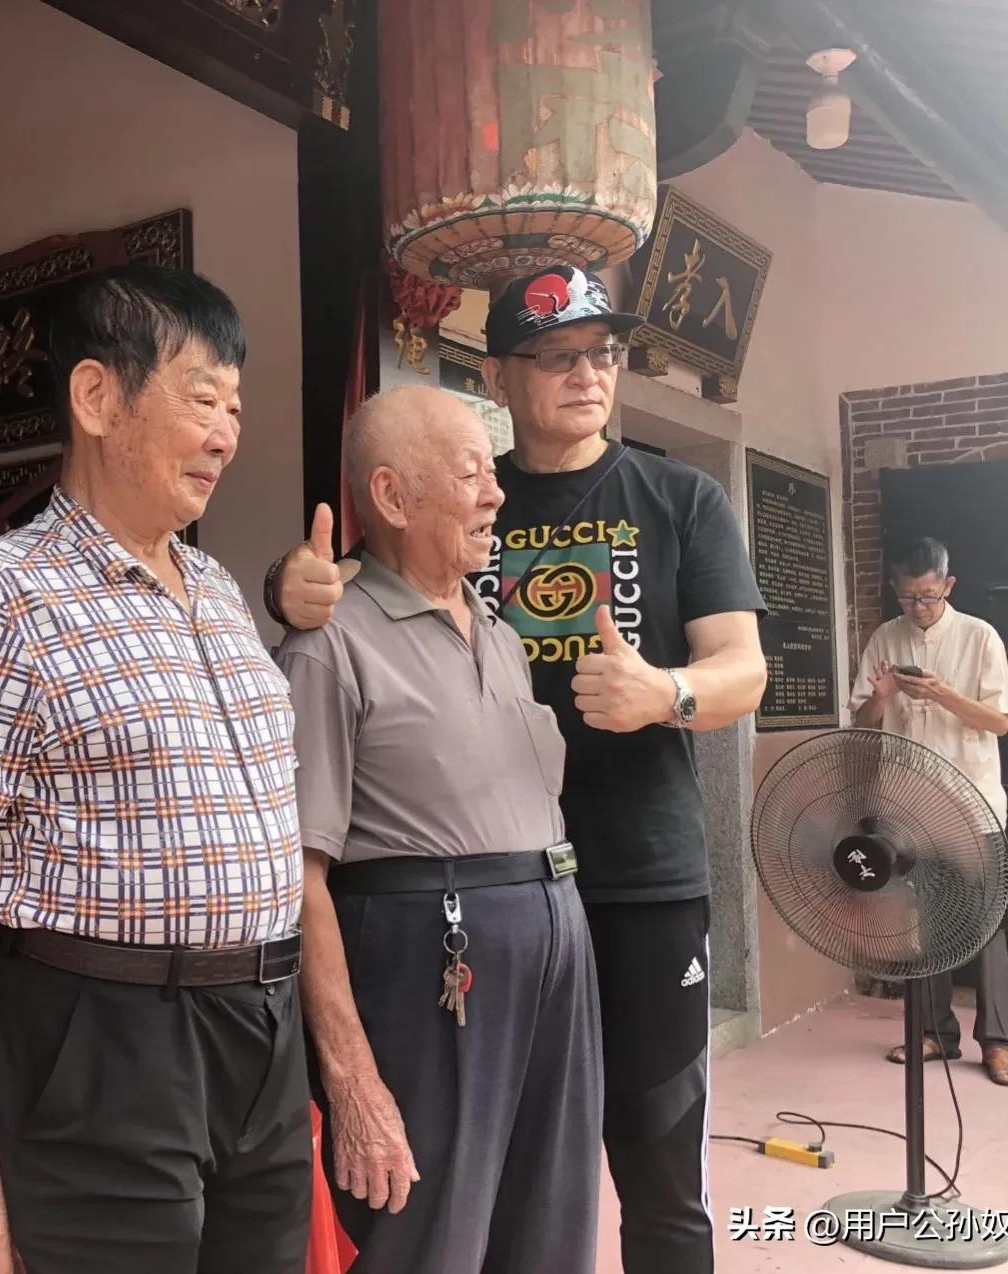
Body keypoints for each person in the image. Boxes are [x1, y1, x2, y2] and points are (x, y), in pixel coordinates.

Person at [271, 267, 768, 1274]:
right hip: (462, 909)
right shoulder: (456, 501)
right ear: (497, 375)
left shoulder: (680, 496)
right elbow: (347, 590)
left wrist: (662, 692)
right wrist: (287, 588)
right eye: (556, 356)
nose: (588, 374)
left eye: (603, 353)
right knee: (473, 1195)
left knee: (656, 1171)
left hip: (635, 878)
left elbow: (744, 668)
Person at [0, 263, 312, 1274]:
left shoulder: (212, 587)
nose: (225, 432)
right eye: (201, 397)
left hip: (259, 1029)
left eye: (236, 406)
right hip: (97, 1037)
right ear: (95, 398)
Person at [276, 384, 603, 1274]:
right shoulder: (329, 641)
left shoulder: (500, 635)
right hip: (431, 968)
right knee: (434, 1234)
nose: (496, 493)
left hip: (554, 948)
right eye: (470, 475)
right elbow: (298, 877)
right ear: (390, 497)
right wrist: (349, 1077)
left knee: (553, 1216)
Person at [850, 536, 1008, 1086]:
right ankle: (932, 1032)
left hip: (971, 805)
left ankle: (999, 1043)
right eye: (907, 598)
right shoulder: (884, 637)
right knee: (923, 923)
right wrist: (882, 696)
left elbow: (1001, 721)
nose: (918, 608)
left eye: (927, 596)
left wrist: (942, 695)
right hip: (907, 808)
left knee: (987, 924)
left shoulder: (980, 637)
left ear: (947, 586)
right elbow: (861, 725)